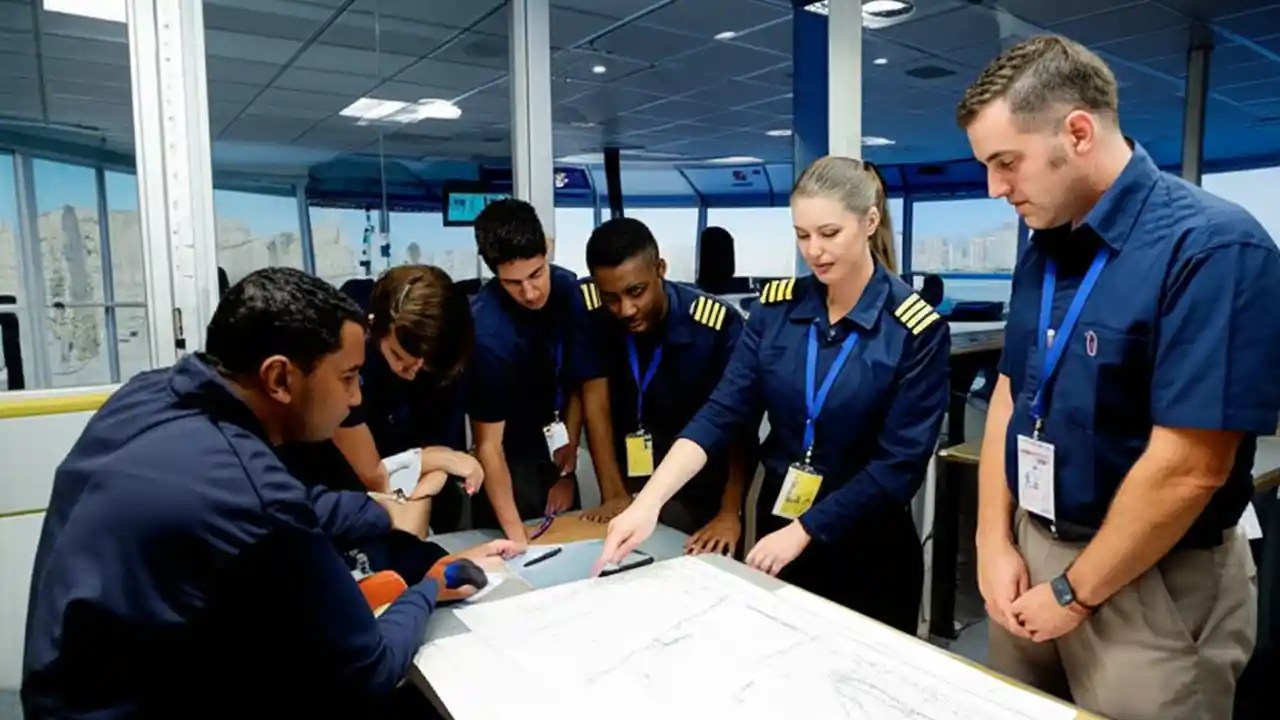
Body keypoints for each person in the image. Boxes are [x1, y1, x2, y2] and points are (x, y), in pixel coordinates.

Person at [957, 35, 1280, 720]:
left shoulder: (1213, 246)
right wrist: (993, 538)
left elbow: (1190, 466)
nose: (994, 187)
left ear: (1077, 132)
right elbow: (1012, 396)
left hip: (1149, 579)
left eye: (1005, 162)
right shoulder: (1042, 248)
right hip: (1030, 545)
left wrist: (1076, 592)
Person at [22, 268, 505, 719]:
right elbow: (368, 671)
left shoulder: (148, 396)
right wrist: (428, 588)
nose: (356, 398)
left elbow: (300, 504)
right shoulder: (255, 494)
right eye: (346, 377)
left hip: (60, 683)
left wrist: (380, 513)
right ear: (279, 378)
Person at [597, 156, 951, 633]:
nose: (815, 251)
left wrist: (805, 531)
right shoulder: (776, 311)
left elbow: (898, 468)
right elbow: (722, 412)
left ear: (869, 222)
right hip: (778, 528)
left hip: (865, 544)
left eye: (829, 233)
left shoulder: (914, 329)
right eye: (803, 235)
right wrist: (650, 502)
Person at [583, 217, 753, 554]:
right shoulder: (596, 316)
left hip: (701, 494)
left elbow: (739, 427)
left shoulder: (714, 326)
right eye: (611, 298)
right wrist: (613, 492)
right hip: (631, 483)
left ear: (660, 268)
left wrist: (729, 513)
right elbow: (596, 407)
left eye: (636, 292)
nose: (626, 309)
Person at [468, 199, 626, 550]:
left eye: (536, 274)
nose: (530, 292)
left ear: (548, 249)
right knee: (518, 556)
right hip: (508, 459)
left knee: (573, 544)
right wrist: (515, 535)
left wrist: (566, 472)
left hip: (555, 445)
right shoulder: (486, 330)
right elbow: (488, 447)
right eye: (513, 283)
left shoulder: (570, 292)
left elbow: (582, 385)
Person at [282, 265, 481, 536]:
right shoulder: (343, 343)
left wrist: (434, 469)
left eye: (422, 367)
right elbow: (371, 474)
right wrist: (434, 459)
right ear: (375, 327)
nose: (410, 373)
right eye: (399, 358)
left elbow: (444, 441)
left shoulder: (441, 348)